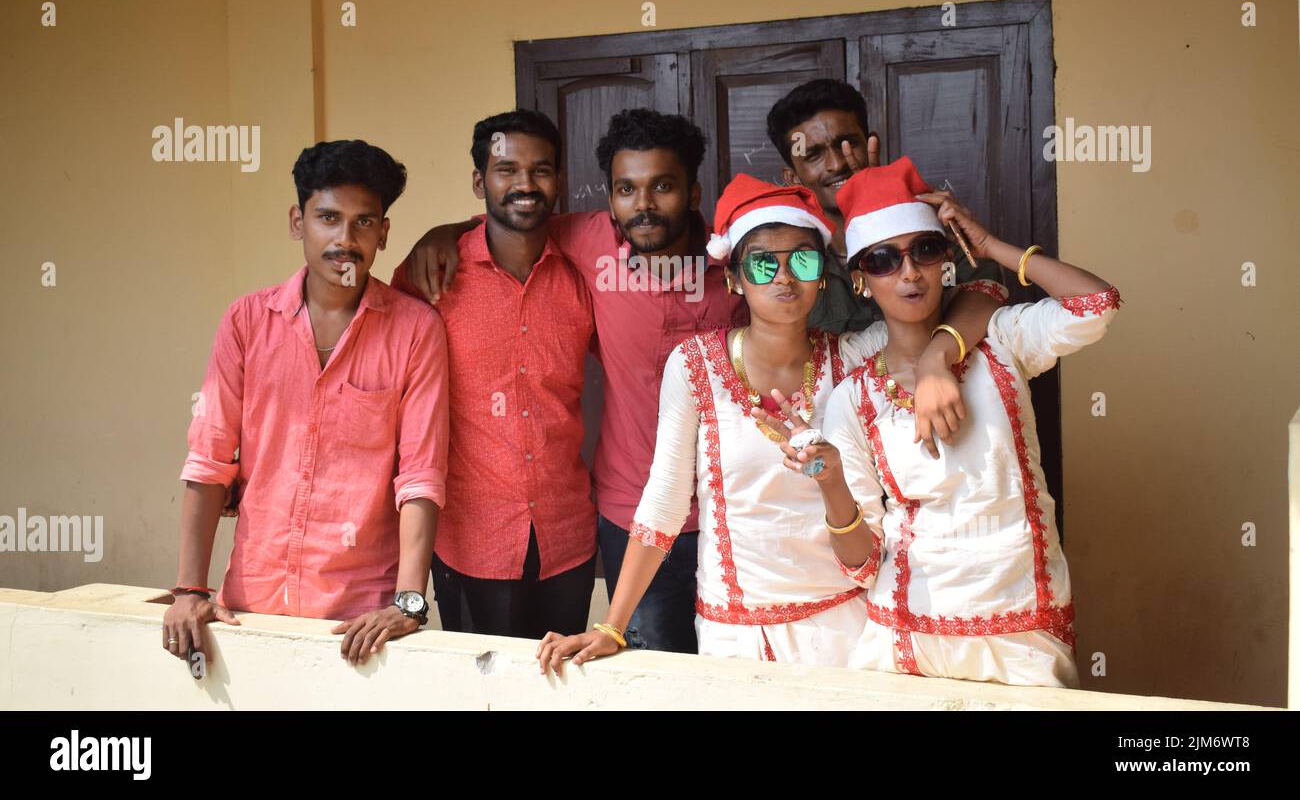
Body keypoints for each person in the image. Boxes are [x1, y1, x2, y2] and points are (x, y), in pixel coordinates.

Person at [401, 107, 990, 651]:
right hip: (633, 510)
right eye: (626, 189)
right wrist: (444, 233)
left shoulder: (744, 260)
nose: (643, 204)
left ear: (693, 193)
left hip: (745, 519)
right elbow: (516, 213)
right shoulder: (588, 242)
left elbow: (943, 301)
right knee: (651, 671)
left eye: (662, 186)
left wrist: (939, 353)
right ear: (609, 199)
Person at [536, 176, 891, 671]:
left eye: (803, 261)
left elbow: (965, 303)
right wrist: (612, 626)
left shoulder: (854, 360)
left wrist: (943, 352)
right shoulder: (695, 365)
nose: (784, 278)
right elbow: (664, 501)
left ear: (823, 276)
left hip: (845, 626)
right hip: (735, 635)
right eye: (763, 264)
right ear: (734, 279)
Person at [821, 157, 1121, 686]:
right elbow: (861, 565)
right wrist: (830, 485)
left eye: (925, 250)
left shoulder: (1002, 342)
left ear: (946, 260)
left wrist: (991, 247)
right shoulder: (855, 396)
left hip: (1023, 624)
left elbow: (1097, 304)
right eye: (885, 260)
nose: (909, 273)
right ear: (861, 280)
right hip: (906, 634)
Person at [165, 140, 449, 670]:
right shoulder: (246, 322)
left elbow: (421, 474)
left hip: (361, 621)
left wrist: (408, 602)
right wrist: (189, 589)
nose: (346, 239)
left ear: (384, 233)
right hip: (251, 604)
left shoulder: (416, 330)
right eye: (328, 218)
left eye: (364, 222)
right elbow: (209, 459)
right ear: (298, 222)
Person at [390, 110, 597, 640]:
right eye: (506, 170)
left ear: (558, 179)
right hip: (470, 540)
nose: (525, 184)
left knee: (562, 678)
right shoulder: (431, 275)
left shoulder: (582, 275)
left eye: (540, 170)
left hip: (567, 534)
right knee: (481, 681)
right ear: (480, 182)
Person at [766, 80, 1008, 457]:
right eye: (813, 154)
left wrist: (936, 355)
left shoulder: (927, 229)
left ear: (869, 144)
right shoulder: (792, 264)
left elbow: (985, 291)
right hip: (841, 453)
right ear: (792, 177)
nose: (836, 163)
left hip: (955, 435)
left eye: (847, 143)